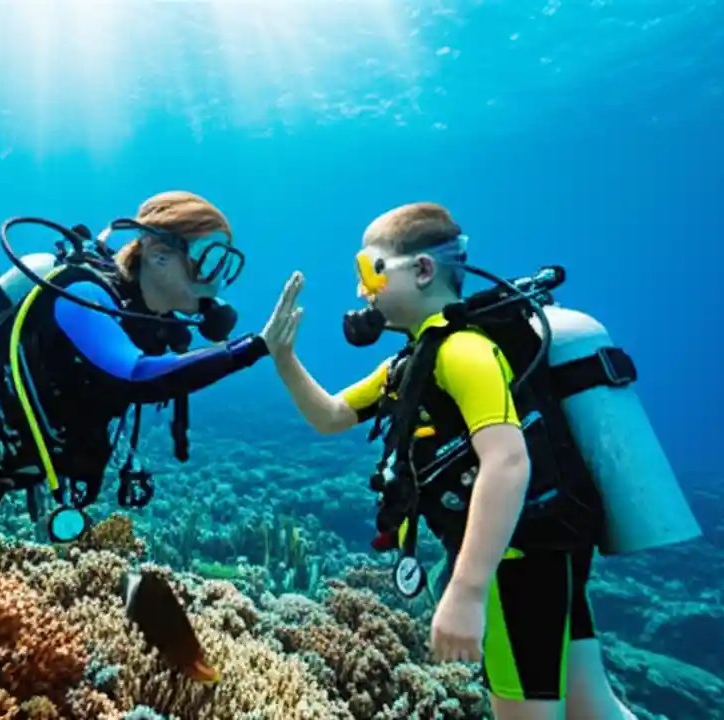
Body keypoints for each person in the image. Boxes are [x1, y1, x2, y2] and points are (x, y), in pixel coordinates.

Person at [264, 202, 646, 719]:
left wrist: (467, 591)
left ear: (423, 270)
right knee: (591, 706)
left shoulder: (461, 353)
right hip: (545, 551)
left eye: (370, 271)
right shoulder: (415, 362)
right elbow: (331, 416)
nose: (360, 291)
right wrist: (284, 359)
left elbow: (507, 462)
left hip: (515, 566)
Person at [0, 190, 296, 564]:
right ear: (158, 254)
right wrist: (251, 348)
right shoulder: (82, 293)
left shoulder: (149, 327)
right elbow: (135, 376)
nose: (217, 280)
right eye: (208, 259)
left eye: (226, 264)